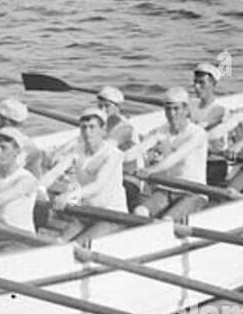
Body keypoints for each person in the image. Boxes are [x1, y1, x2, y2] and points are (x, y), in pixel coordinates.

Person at [40, 105, 126, 242]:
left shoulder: (113, 155)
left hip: (112, 216)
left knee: (75, 247)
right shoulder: (77, 151)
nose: (87, 132)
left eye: (92, 127)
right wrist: (38, 188)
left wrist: (69, 195)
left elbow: (98, 185)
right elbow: (54, 173)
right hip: (86, 213)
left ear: (103, 131)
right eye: (84, 127)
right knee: (57, 244)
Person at [129, 87, 210, 220]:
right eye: (168, 109)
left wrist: (150, 170)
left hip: (194, 192)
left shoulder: (198, 134)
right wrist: (115, 158)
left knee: (167, 220)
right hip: (166, 189)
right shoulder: (162, 130)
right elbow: (138, 149)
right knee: (139, 211)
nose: (172, 114)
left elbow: (174, 158)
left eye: (176, 109)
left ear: (185, 109)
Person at [96, 86, 140, 155]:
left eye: (107, 106)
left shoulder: (125, 128)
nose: (102, 110)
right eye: (100, 106)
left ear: (118, 107)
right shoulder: (102, 123)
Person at [189, 62, 227, 129]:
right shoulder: (192, 104)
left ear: (213, 84)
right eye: (195, 82)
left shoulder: (218, 110)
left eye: (201, 82)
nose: (196, 86)